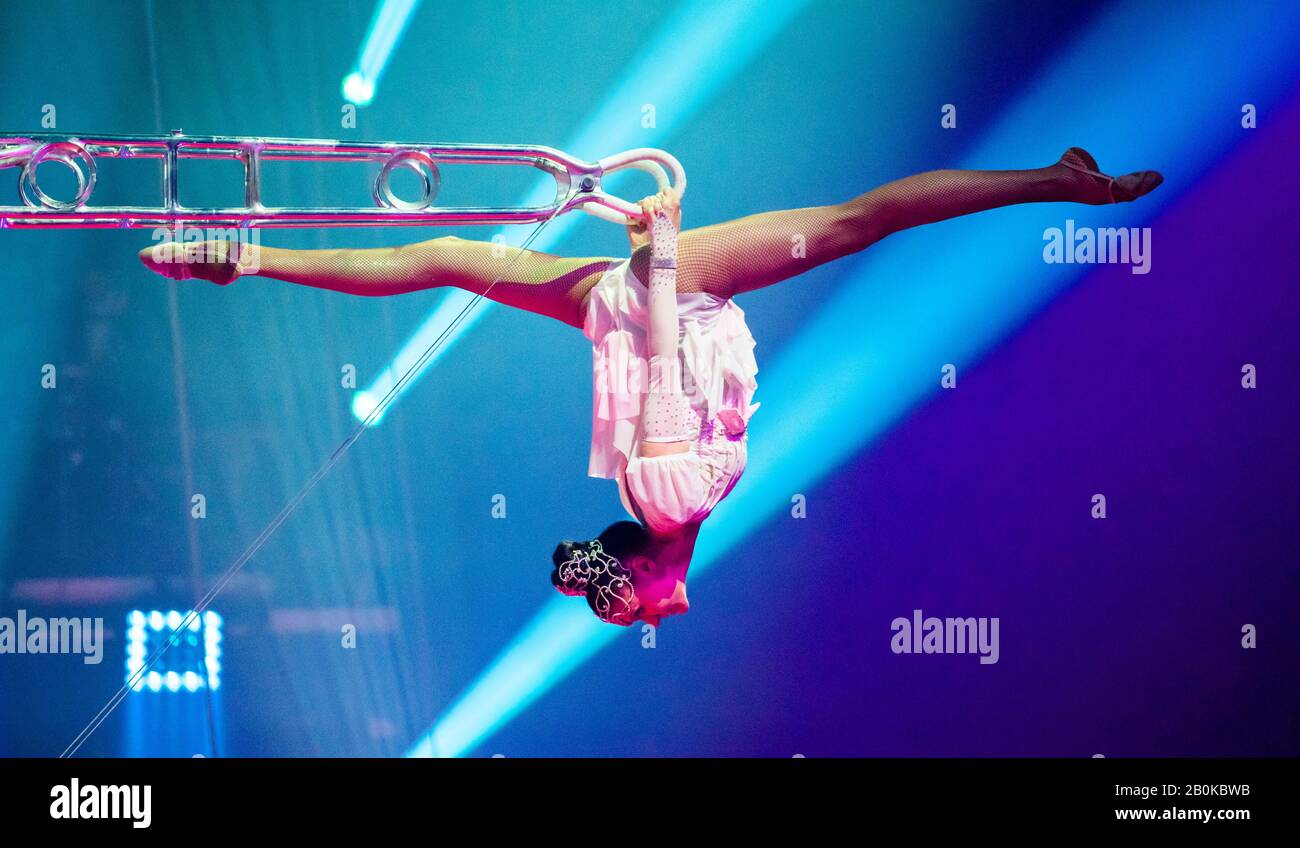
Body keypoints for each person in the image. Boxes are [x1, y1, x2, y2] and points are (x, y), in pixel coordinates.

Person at [140, 147, 1161, 627]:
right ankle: (243, 257)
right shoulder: (665, 514)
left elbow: (668, 367)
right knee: (446, 257)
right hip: (612, 313)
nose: (667, 612)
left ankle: (1056, 185)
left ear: (639, 574)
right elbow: (611, 494)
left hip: (667, 300)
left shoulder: (670, 501)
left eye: (641, 611)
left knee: (858, 222)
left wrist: (665, 256)